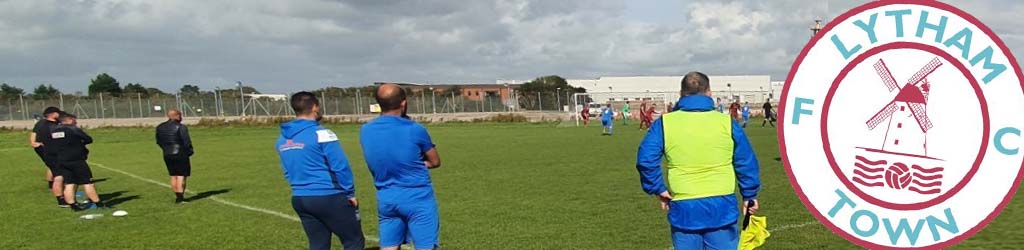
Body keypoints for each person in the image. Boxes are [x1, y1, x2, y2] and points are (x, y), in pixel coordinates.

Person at [635, 71, 761, 250]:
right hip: (721, 205)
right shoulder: (726, 122)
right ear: (709, 92)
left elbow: (646, 160)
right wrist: (749, 194)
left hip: (685, 206)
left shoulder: (665, 123)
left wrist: (658, 188)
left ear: (681, 94)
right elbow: (745, 161)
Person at [275, 92, 365, 250]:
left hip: (300, 198)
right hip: (328, 196)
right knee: (354, 241)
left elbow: (287, 170)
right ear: (315, 107)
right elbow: (340, 165)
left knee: (318, 244)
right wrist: (349, 193)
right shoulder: (323, 133)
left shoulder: (282, 139)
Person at [360, 84, 442, 250]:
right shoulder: (415, 129)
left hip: (387, 198)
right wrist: (418, 164)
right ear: (403, 103)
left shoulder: (366, 130)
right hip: (417, 198)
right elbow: (435, 161)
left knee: (389, 246)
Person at [50, 113, 107, 210]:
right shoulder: (72, 129)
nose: (75, 122)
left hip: (62, 160)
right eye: (73, 119)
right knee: (87, 182)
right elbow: (88, 139)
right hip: (76, 159)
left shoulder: (54, 131)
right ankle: (99, 204)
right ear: (68, 120)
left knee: (69, 183)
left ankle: (73, 205)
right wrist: (79, 143)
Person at [30, 107, 67, 207]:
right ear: (53, 114)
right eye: (58, 113)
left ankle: (51, 185)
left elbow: (33, 134)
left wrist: (33, 143)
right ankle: (61, 199)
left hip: (43, 148)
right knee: (59, 173)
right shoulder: (51, 126)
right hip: (48, 150)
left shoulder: (41, 123)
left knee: (51, 166)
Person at [156, 109, 194, 204]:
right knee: (181, 175)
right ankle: (180, 198)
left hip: (167, 153)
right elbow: (186, 141)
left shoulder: (160, 127)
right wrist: (189, 151)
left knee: (173, 175)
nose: (181, 118)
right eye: (180, 115)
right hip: (180, 153)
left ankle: (177, 195)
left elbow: (158, 141)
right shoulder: (181, 127)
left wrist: (165, 149)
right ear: (176, 116)